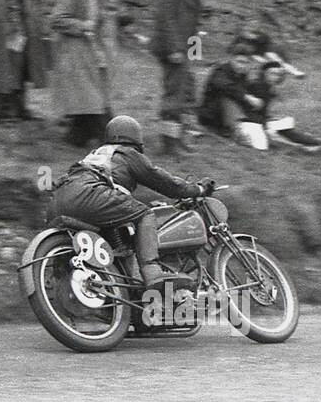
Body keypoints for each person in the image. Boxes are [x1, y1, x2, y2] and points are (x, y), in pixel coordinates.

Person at [49, 114, 213, 291]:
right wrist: (198, 189)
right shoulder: (127, 153)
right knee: (144, 214)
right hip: (90, 195)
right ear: (136, 138)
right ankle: (152, 272)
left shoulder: (94, 155)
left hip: (57, 200)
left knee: (120, 237)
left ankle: (122, 292)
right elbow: (164, 182)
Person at [50, 0, 117, 148]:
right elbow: (57, 19)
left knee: (89, 94)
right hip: (75, 49)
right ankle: (110, 140)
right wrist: (81, 26)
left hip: (92, 49)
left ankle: (77, 137)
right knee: (92, 96)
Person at [151, 0, 204, 154]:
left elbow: (194, 20)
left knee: (184, 91)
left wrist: (194, 50)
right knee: (173, 93)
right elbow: (165, 18)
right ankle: (169, 143)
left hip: (186, 46)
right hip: (172, 48)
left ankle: (178, 137)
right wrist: (174, 49)